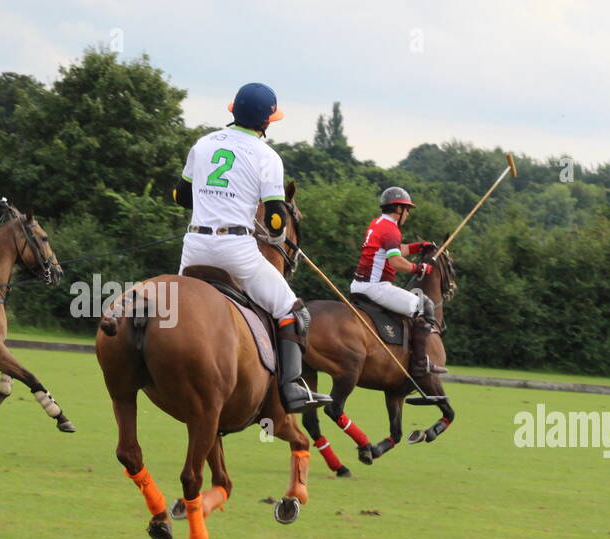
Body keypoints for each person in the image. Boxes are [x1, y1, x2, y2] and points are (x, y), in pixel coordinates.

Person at [173, 82, 330, 411]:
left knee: (177, 307)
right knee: (293, 310)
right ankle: (291, 390)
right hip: (236, 252)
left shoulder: (202, 145)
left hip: (194, 249)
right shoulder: (267, 156)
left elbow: (180, 197)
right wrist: (272, 233)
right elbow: (275, 220)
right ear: (266, 121)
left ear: (234, 111)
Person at [349, 186, 446, 378]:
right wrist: (419, 268)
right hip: (376, 288)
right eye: (407, 209)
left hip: (359, 285)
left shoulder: (377, 224)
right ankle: (420, 363)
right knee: (424, 304)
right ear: (398, 209)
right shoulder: (391, 230)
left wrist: (419, 247)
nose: (408, 214)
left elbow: (395, 250)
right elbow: (395, 261)